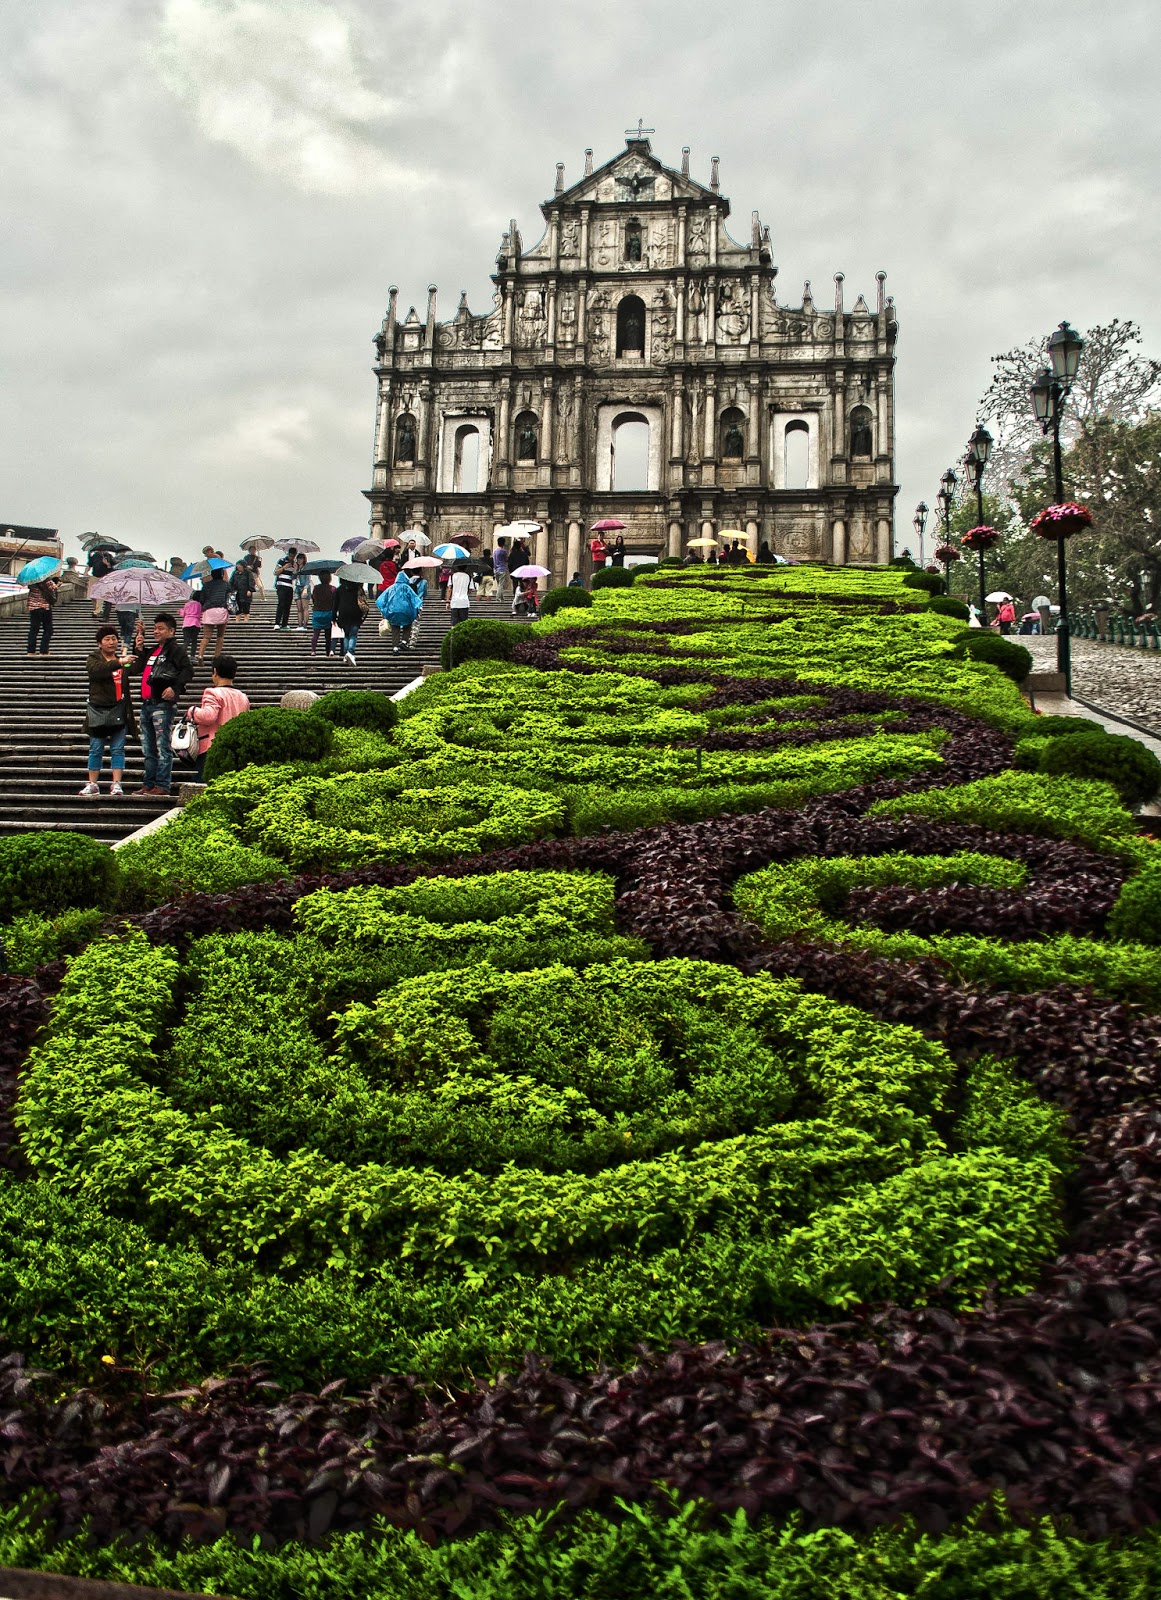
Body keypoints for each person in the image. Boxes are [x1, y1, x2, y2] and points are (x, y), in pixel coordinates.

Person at [130, 610, 192, 798]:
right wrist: (138, 647)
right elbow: (136, 668)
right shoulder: (153, 650)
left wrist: (175, 688)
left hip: (162, 705)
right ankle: (148, 784)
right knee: (148, 748)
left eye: (161, 629)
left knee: (161, 746)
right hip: (146, 704)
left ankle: (162, 784)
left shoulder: (175, 650)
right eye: (155, 628)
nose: (156, 632)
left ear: (171, 631)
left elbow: (188, 670)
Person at [81, 625, 137, 799]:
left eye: (114, 638)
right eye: (107, 639)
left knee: (118, 748)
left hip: (118, 709)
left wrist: (139, 645)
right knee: (95, 748)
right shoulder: (93, 659)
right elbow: (96, 671)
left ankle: (117, 783)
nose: (111, 642)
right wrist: (118, 662)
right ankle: (92, 784)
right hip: (98, 710)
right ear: (99, 644)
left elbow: (135, 668)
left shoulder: (122, 660)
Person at [189, 653, 250, 778]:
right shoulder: (242, 697)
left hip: (212, 747)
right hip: (234, 748)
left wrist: (192, 711)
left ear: (215, 671)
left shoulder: (213, 692)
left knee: (203, 784)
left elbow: (208, 716)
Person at [377, 569, 421, 652]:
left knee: (395, 628)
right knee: (407, 625)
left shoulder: (391, 588)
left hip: (393, 611)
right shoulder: (407, 587)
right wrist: (417, 611)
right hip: (406, 611)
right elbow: (414, 599)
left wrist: (383, 611)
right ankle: (404, 641)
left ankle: (395, 647)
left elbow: (382, 599)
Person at [195, 566, 231, 662]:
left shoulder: (206, 585)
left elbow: (202, 599)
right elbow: (230, 595)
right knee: (220, 636)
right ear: (221, 574)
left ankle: (200, 655)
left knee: (206, 636)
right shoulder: (226, 584)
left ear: (212, 574)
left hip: (209, 611)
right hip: (221, 610)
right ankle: (216, 656)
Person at [334, 578, 367, 665]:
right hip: (355, 614)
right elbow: (363, 601)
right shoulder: (358, 589)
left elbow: (335, 604)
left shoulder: (339, 589)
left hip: (343, 614)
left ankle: (346, 653)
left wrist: (333, 616)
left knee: (346, 635)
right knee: (353, 635)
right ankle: (350, 652)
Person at [26, 574, 59, 656]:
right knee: (48, 629)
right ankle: (44, 650)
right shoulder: (46, 579)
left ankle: (31, 651)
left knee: (33, 629)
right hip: (44, 607)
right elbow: (53, 588)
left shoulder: (31, 580)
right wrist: (58, 584)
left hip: (33, 607)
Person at [310, 574, 336, 656]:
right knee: (328, 635)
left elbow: (313, 598)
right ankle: (327, 652)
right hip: (328, 612)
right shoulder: (332, 588)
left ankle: (313, 650)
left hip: (317, 612)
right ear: (330, 579)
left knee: (316, 634)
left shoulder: (316, 588)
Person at [273, 549, 297, 629]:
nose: (291, 557)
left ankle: (284, 624)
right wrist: (284, 567)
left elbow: (294, 577)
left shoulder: (295, 563)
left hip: (289, 586)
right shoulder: (282, 561)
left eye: (293, 556)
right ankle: (277, 623)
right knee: (281, 604)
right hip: (281, 585)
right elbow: (275, 572)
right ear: (288, 553)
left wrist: (295, 570)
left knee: (288, 605)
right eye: (290, 555)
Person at [231, 555, 257, 622]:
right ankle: (237, 620)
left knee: (246, 606)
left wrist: (250, 590)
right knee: (237, 607)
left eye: (239, 565)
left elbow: (251, 581)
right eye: (237, 565)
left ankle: (246, 620)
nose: (238, 566)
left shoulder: (248, 573)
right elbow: (231, 581)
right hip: (237, 592)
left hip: (246, 592)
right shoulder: (235, 573)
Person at [293, 554, 311, 627]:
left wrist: (305, 589)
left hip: (304, 587)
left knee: (305, 607)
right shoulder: (296, 568)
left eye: (301, 559)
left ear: (304, 560)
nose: (299, 560)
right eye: (298, 559)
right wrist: (295, 570)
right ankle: (300, 625)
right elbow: (292, 577)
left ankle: (304, 625)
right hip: (297, 587)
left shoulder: (306, 568)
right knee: (299, 608)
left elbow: (308, 580)